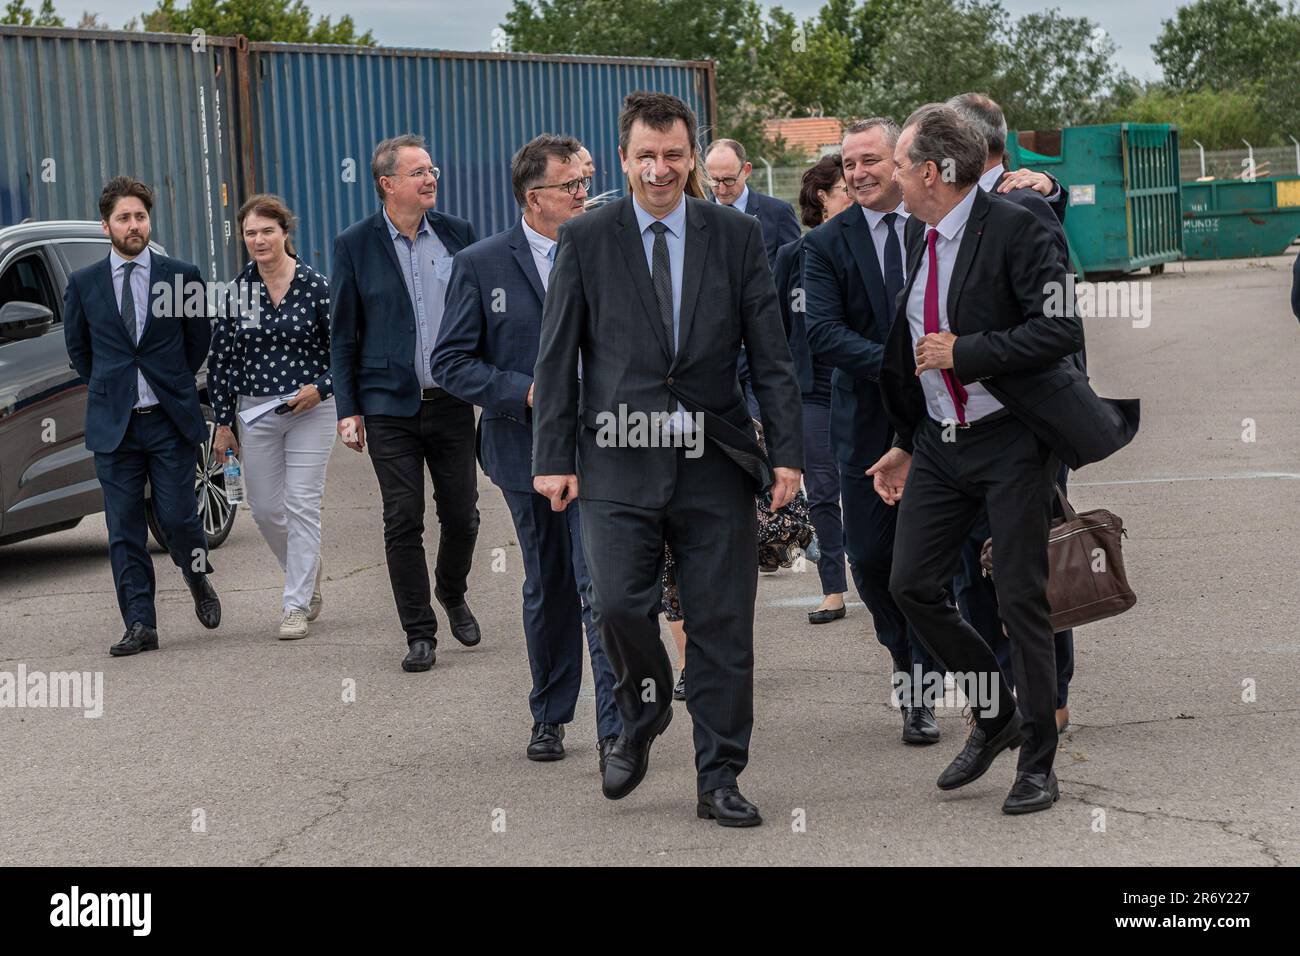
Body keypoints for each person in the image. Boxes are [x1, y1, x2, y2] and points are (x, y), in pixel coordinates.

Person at [532, 92, 803, 827]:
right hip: (616, 461)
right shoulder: (586, 240)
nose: (660, 170)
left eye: (674, 156)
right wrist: (553, 455)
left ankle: (719, 776)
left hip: (715, 460)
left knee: (722, 625)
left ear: (692, 157)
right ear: (622, 158)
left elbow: (771, 353)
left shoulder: (736, 234)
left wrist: (786, 453)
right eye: (646, 156)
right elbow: (557, 358)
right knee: (619, 605)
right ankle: (643, 710)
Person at [872, 104, 1138, 815]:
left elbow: (1058, 329)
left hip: (1011, 443)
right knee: (913, 586)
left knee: (1022, 601)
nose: (893, 175)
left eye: (899, 163)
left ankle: (1038, 765)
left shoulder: (1018, 226)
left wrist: (969, 352)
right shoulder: (918, 236)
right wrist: (903, 442)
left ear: (932, 171)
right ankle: (997, 715)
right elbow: (908, 347)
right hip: (937, 444)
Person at [432, 134, 623, 771]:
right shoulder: (482, 265)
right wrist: (526, 390)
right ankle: (550, 712)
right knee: (551, 583)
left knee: (602, 586)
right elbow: (451, 363)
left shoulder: (609, 249)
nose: (584, 193)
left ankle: (616, 727)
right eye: (572, 185)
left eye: (587, 179)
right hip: (525, 452)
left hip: (607, 446)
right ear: (532, 196)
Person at [801, 119, 948, 746]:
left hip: (944, 418)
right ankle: (902, 654)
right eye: (848, 163)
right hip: (863, 425)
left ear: (903, 163)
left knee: (935, 561)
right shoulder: (826, 245)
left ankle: (925, 682)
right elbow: (823, 334)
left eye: (870, 161)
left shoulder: (937, 226)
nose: (857, 173)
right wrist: (901, 366)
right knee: (869, 555)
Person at [947, 92, 1079, 732]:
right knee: (975, 570)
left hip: (1027, 424)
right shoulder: (949, 211)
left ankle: (1046, 703)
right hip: (963, 429)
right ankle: (994, 701)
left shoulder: (1024, 203)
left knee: (1031, 567)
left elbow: (1056, 326)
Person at [329, 134, 482, 673]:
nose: (430, 177)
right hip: (387, 405)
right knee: (403, 518)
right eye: (418, 171)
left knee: (463, 515)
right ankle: (419, 632)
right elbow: (342, 334)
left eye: (432, 168)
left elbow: (480, 315)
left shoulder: (458, 235)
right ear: (387, 183)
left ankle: (452, 589)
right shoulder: (355, 245)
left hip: (451, 401)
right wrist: (348, 408)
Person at [62, 176, 221, 656]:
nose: (134, 225)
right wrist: (115, 388)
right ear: (106, 225)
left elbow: (198, 341)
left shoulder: (181, 275)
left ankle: (198, 578)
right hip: (116, 426)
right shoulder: (84, 284)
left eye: (140, 217)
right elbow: (80, 352)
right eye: (124, 218)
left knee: (179, 519)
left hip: (168, 422)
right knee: (123, 528)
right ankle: (140, 623)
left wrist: (168, 382)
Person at [209, 195, 335, 640]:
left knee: (301, 503)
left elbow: (345, 350)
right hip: (256, 411)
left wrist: (321, 388)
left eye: (267, 230)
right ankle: (307, 568)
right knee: (263, 508)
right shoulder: (238, 293)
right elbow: (222, 362)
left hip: (312, 409)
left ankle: (295, 604)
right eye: (250, 233)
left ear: (286, 232)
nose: (259, 239)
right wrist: (224, 424)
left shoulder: (316, 287)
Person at [774, 154, 853, 624]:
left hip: (864, 384)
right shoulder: (792, 257)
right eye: (845, 186)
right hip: (814, 391)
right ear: (823, 196)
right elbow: (775, 331)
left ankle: (885, 574)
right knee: (824, 490)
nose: (855, 192)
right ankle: (833, 589)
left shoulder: (872, 246)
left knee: (876, 486)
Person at [703, 138, 801, 268]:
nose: (722, 189)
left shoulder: (778, 213)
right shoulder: (696, 216)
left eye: (729, 180)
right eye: (714, 180)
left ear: (747, 170)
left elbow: (794, 270)